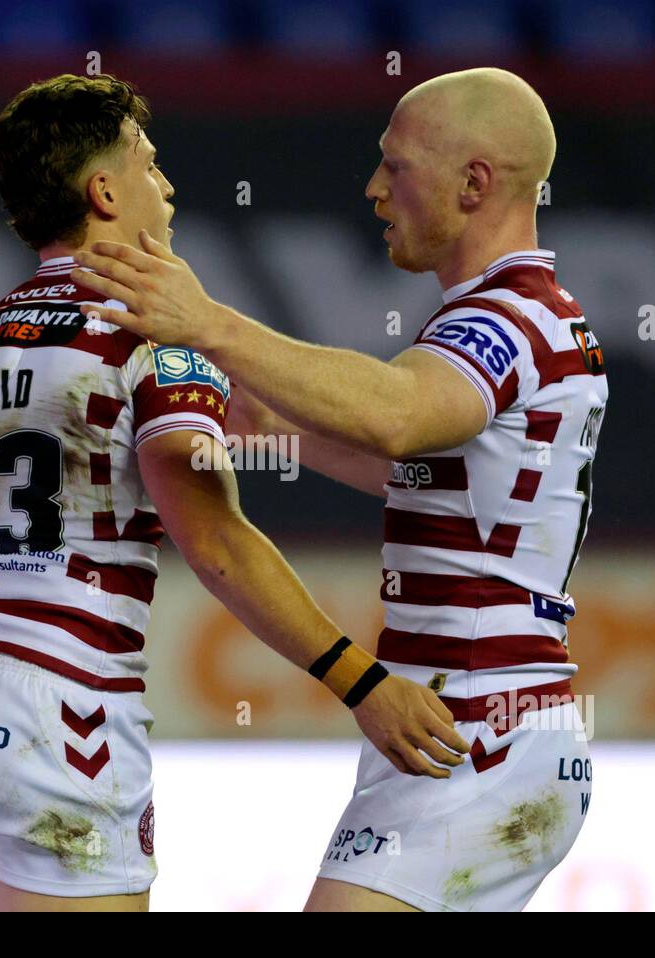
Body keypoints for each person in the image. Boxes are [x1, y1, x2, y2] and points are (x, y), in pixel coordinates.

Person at [0, 73, 466, 913]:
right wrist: (363, 683)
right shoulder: (151, 339)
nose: (168, 186)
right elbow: (214, 541)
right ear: (105, 191)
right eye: (149, 164)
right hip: (63, 713)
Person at [70, 68, 606, 912]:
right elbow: (419, 471)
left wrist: (210, 321)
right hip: (483, 730)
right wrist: (253, 418)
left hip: (477, 734)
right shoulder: (533, 313)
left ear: (474, 183)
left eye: (395, 166)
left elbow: (397, 414)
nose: (374, 188)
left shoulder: (504, 319)